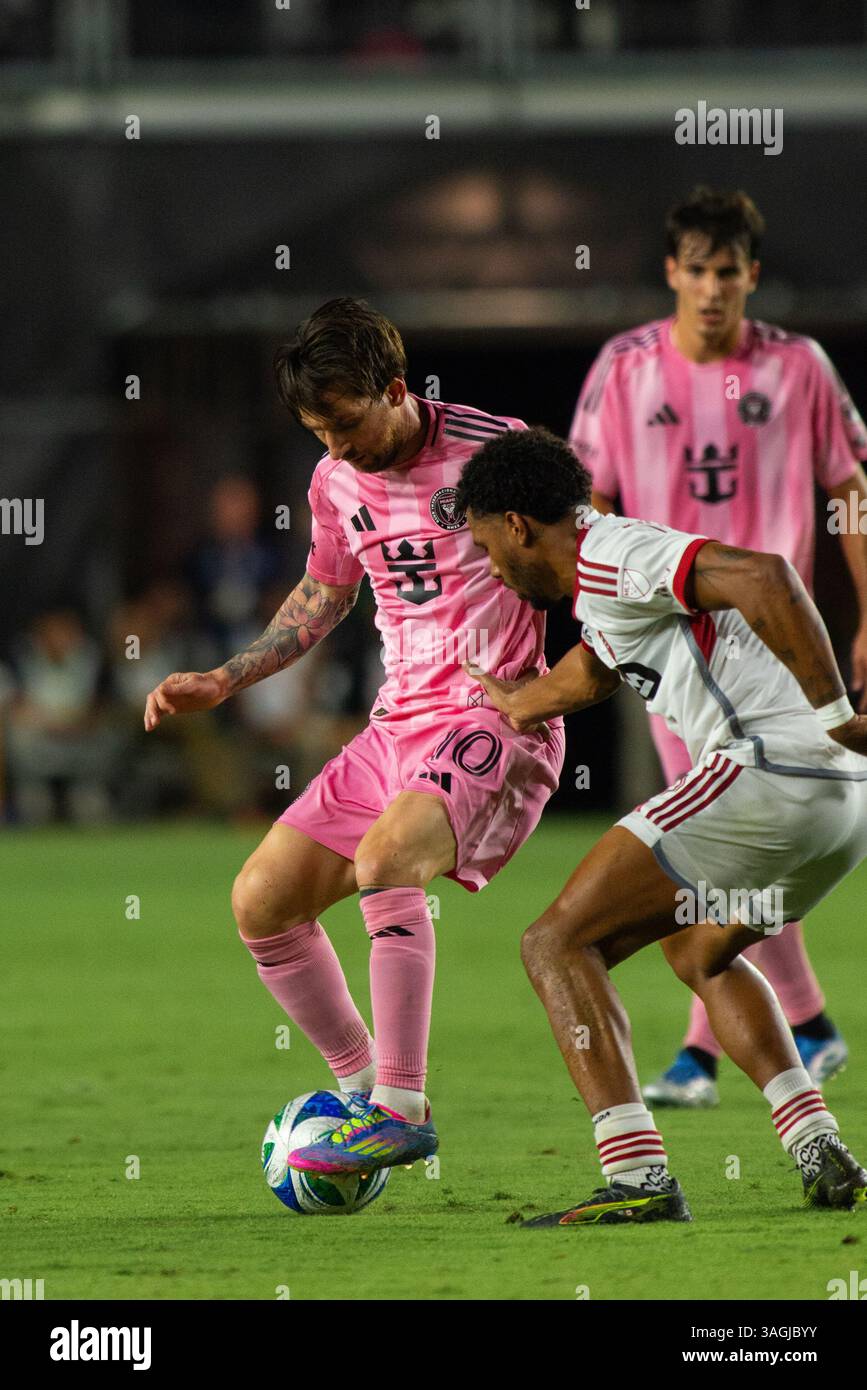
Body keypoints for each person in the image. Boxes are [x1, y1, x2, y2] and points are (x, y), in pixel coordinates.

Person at [144, 298, 565, 1176]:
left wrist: (568, 683)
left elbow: (587, 559)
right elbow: (326, 591)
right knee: (260, 901)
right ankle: (363, 1084)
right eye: (314, 430)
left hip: (496, 718)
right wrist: (227, 677)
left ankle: (398, 1108)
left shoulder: (497, 451)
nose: (333, 446)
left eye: (342, 422)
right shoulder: (334, 481)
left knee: (384, 862)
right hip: (395, 726)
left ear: (395, 388)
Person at [455, 425, 867, 1224]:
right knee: (701, 950)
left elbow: (765, 573)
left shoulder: (609, 551)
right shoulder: (605, 585)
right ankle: (818, 1146)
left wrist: (834, 711)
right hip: (839, 810)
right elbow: (597, 666)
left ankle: (638, 1178)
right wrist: (514, 701)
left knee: (554, 942)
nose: (489, 565)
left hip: (771, 774)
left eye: (484, 543)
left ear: (515, 525)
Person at [570, 186, 867, 1106]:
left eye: (726, 272)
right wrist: (612, 619)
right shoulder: (623, 371)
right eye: (695, 270)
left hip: (782, 644)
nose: (710, 289)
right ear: (670, 272)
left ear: (750, 276)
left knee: (742, 841)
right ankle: (806, 1025)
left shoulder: (798, 368)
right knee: (737, 842)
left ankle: (706, 1056)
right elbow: (591, 504)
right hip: (677, 655)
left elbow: (849, 490)